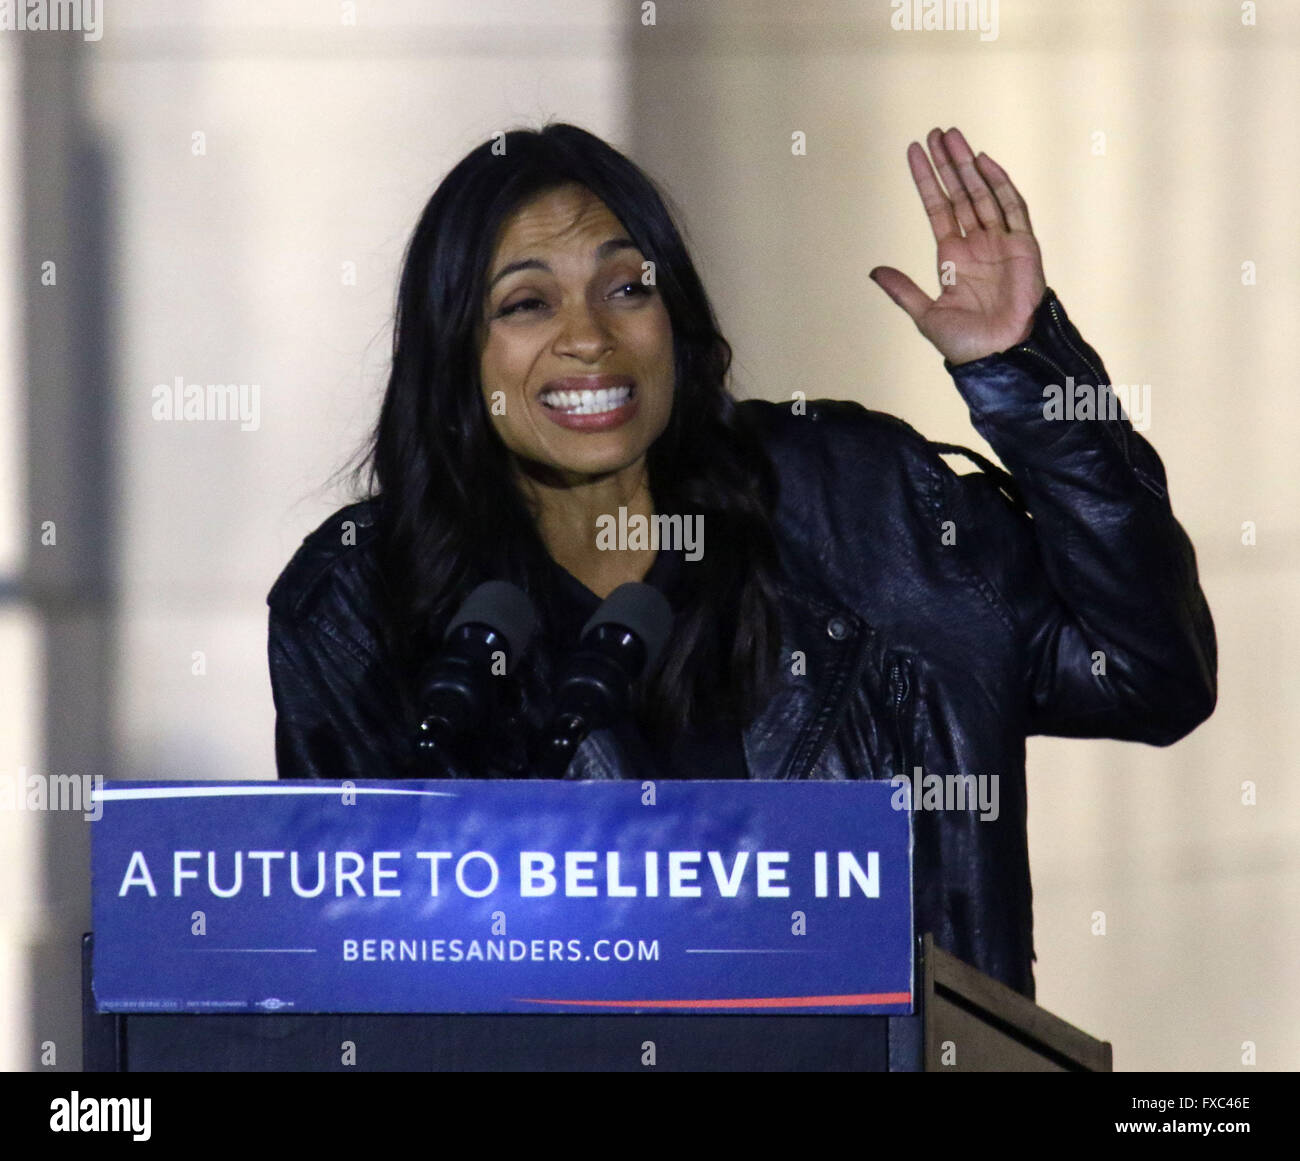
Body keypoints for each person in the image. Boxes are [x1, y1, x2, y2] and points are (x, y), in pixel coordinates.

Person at [267, 122, 1216, 998]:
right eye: (526, 302)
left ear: (673, 313)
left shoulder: (858, 501)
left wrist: (1025, 374)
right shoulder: (359, 606)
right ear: (455, 354)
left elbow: (1150, 674)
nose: (591, 335)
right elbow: (350, 980)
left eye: (628, 286)